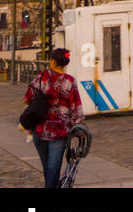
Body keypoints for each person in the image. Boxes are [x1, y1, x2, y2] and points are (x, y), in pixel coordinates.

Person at [21, 47, 85, 188]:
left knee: (48, 168)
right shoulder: (70, 82)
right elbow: (77, 110)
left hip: (39, 129)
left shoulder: (41, 77)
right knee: (53, 169)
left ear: (53, 62)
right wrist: (81, 129)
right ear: (65, 63)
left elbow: (26, 99)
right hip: (60, 132)